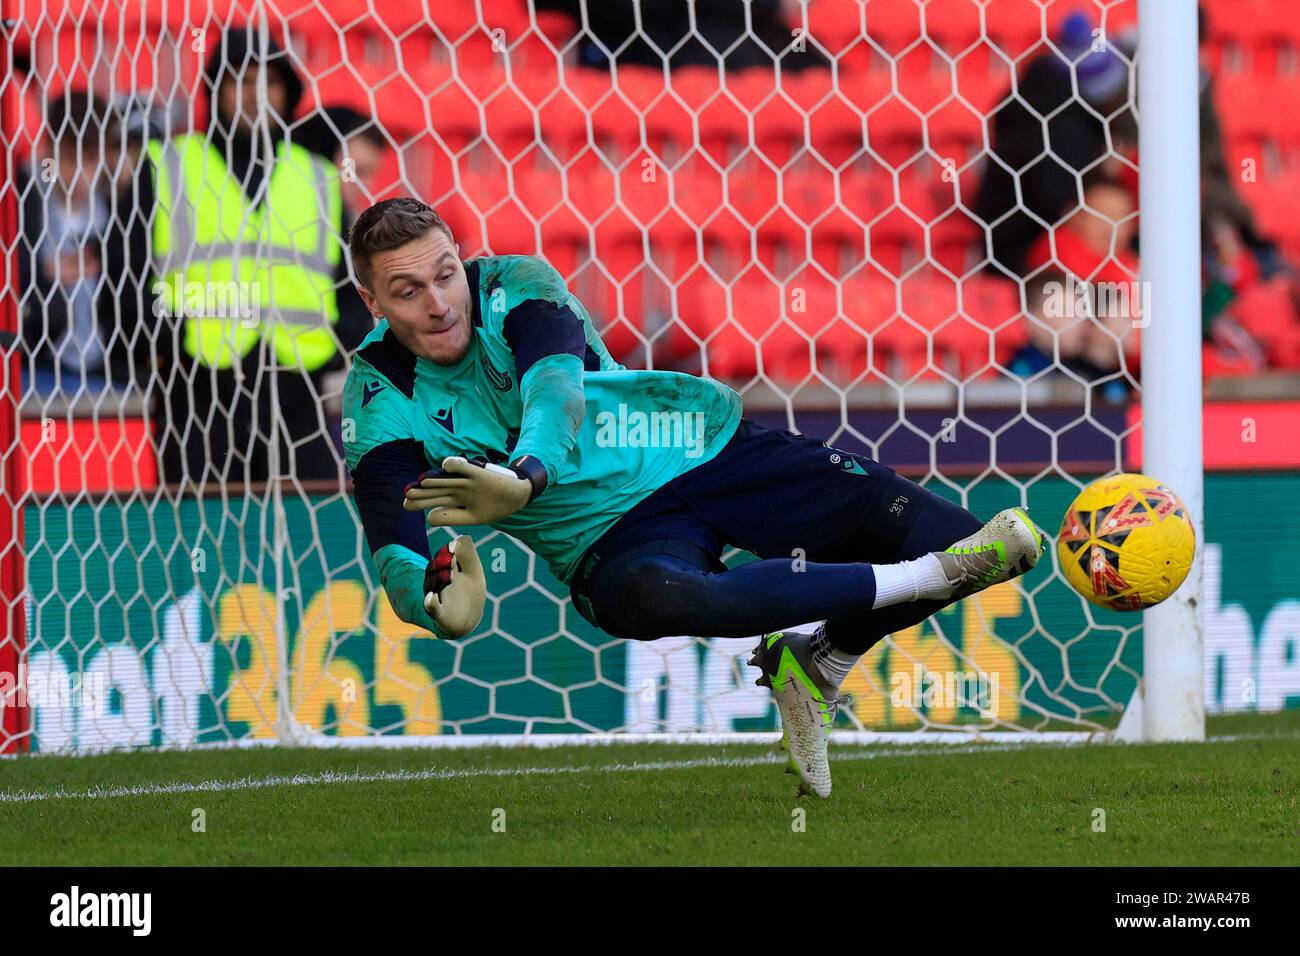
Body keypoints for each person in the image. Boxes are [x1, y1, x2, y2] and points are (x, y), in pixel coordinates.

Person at [341, 197, 1045, 798]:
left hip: (694, 444)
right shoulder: (377, 398)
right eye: (408, 292)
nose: (439, 304)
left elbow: (555, 391)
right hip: (605, 539)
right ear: (371, 302)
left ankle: (821, 660)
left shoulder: (517, 283)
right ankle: (919, 585)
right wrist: (432, 609)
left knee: (972, 542)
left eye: (444, 276)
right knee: (663, 595)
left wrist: (526, 475)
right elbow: (394, 543)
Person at [114, 26, 373, 489]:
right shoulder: (166, 163)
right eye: (241, 80)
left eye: (269, 82)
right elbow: (124, 281)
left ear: (286, 91)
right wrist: (172, 342)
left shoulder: (317, 176)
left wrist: (332, 342)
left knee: (301, 537)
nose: (256, 95)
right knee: (199, 534)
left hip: (297, 397)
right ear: (216, 89)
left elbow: (352, 286)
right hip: (196, 393)